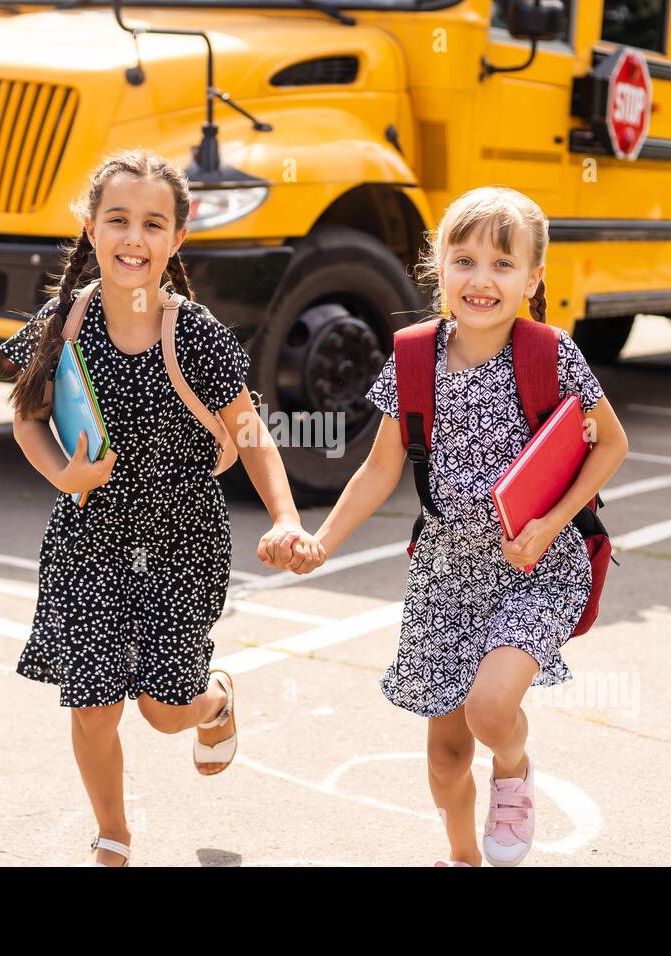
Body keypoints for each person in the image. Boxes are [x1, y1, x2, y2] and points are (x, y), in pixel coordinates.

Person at [278, 186, 629, 866]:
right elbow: (380, 470)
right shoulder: (413, 358)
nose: (481, 279)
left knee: (491, 712)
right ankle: (464, 856)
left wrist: (552, 522)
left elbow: (610, 444)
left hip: (535, 566)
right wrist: (322, 542)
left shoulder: (550, 354)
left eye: (502, 265)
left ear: (532, 279)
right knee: (444, 757)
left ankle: (515, 769)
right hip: (445, 575)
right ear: (438, 268)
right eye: (463, 260)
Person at [0, 148, 319, 867]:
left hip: (182, 541)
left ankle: (212, 703)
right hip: (89, 539)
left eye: (152, 223)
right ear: (89, 227)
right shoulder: (63, 322)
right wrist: (63, 473)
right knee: (91, 703)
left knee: (162, 711)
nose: (132, 238)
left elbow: (249, 432)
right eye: (116, 220)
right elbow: (26, 420)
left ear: (178, 236)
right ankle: (113, 835)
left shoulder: (196, 334)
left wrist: (287, 518)